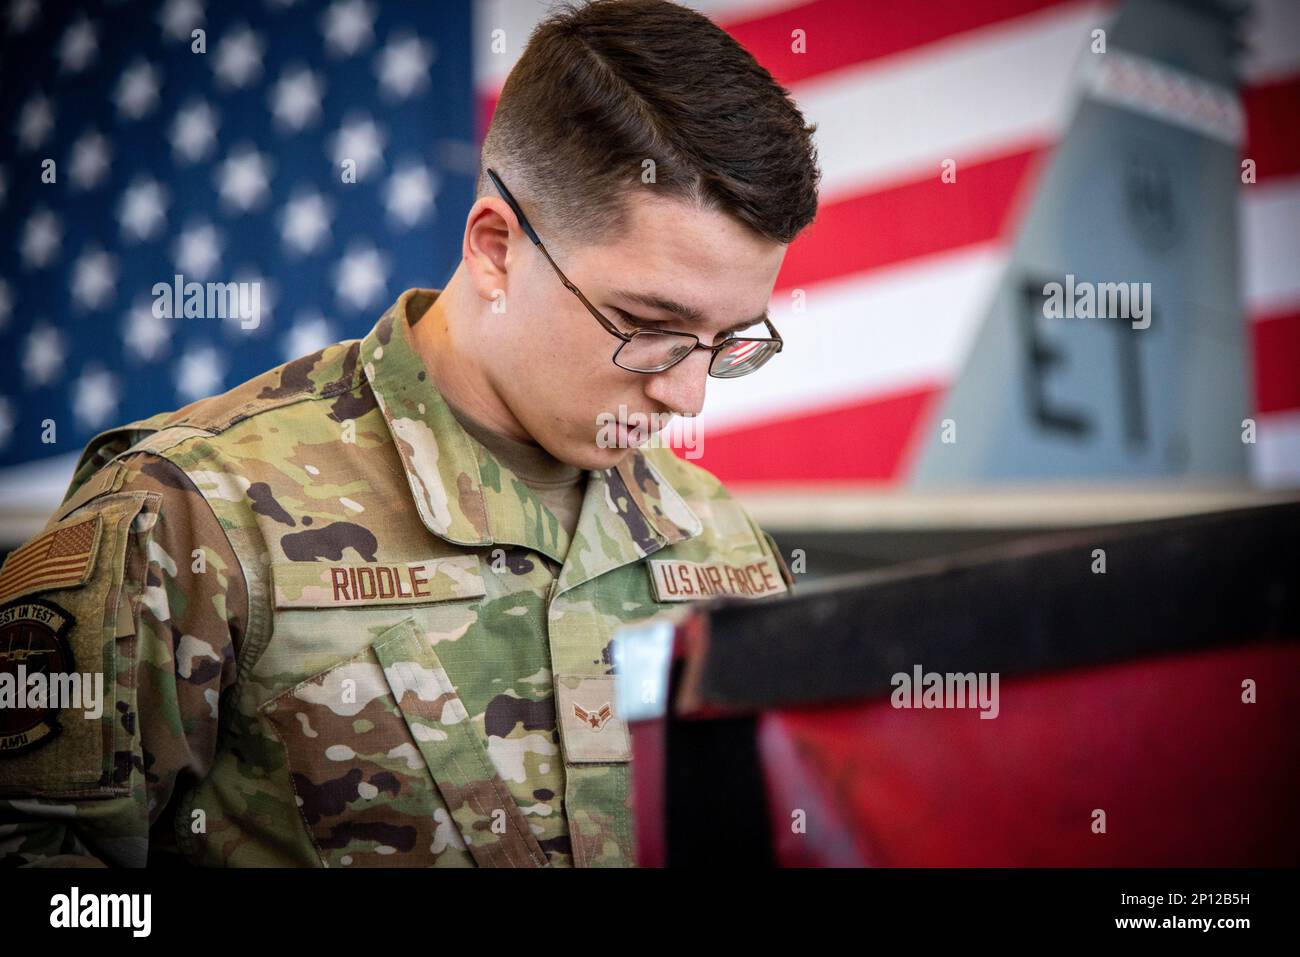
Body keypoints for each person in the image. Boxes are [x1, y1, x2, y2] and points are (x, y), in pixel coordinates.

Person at [0, 0, 819, 867]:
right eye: (649, 325)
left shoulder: (722, 543)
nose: (687, 395)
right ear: (497, 249)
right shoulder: (191, 516)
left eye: (729, 342)